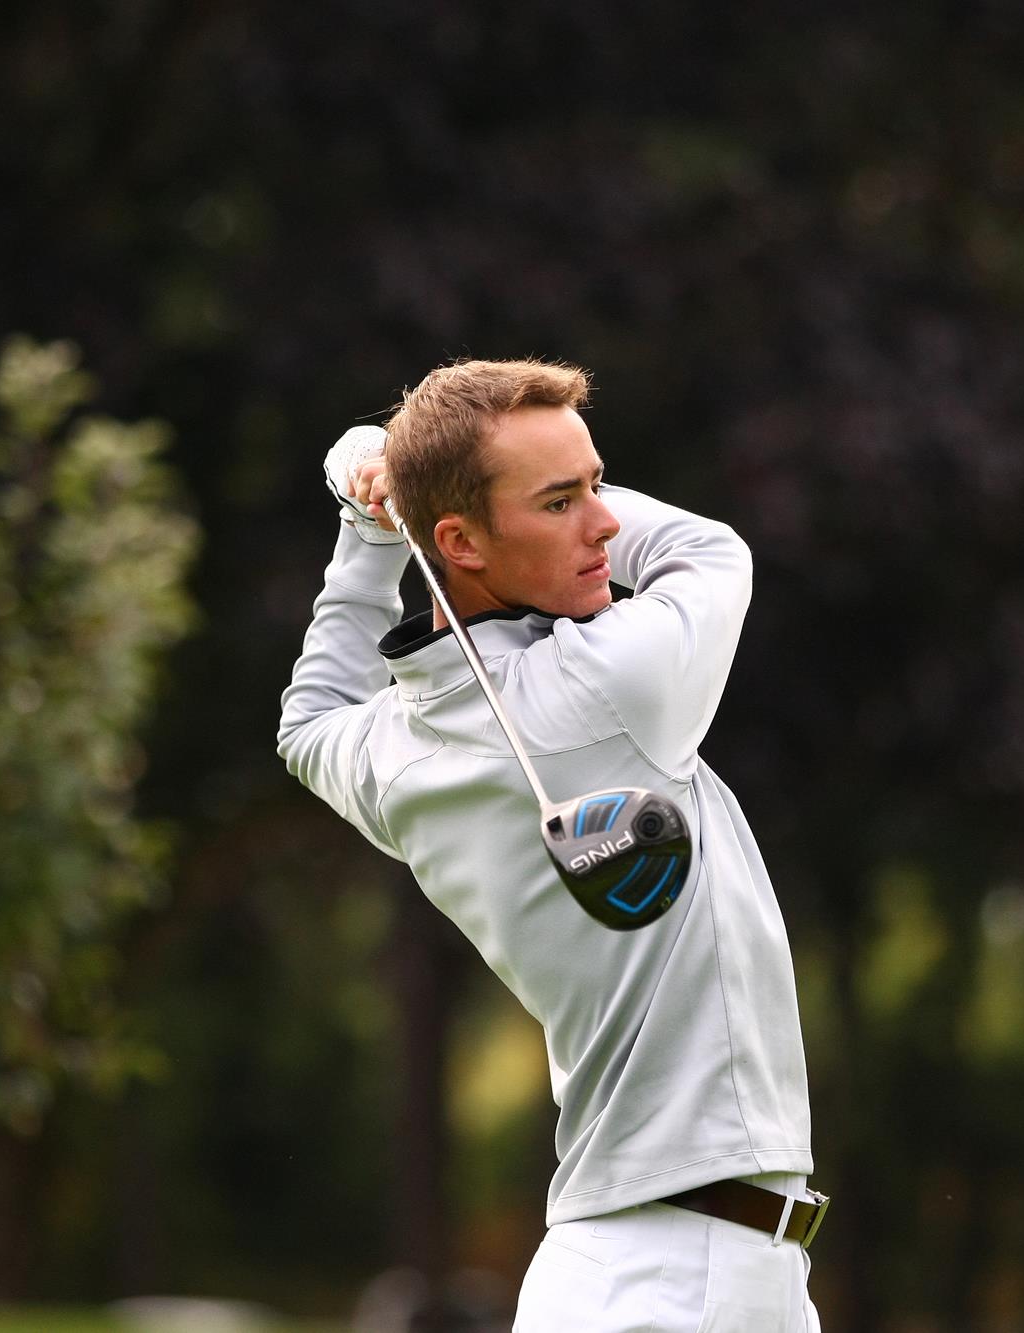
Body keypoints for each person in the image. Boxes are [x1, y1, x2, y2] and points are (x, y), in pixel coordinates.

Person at [278, 359, 823, 1330]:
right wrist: (378, 489)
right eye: (562, 499)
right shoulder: (611, 684)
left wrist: (369, 523)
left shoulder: (395, 756)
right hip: (674, 1276)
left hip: (659, 1265)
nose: (606, 523)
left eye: (598, 484)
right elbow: (708, 549)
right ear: (458, 541)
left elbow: (309, 719)